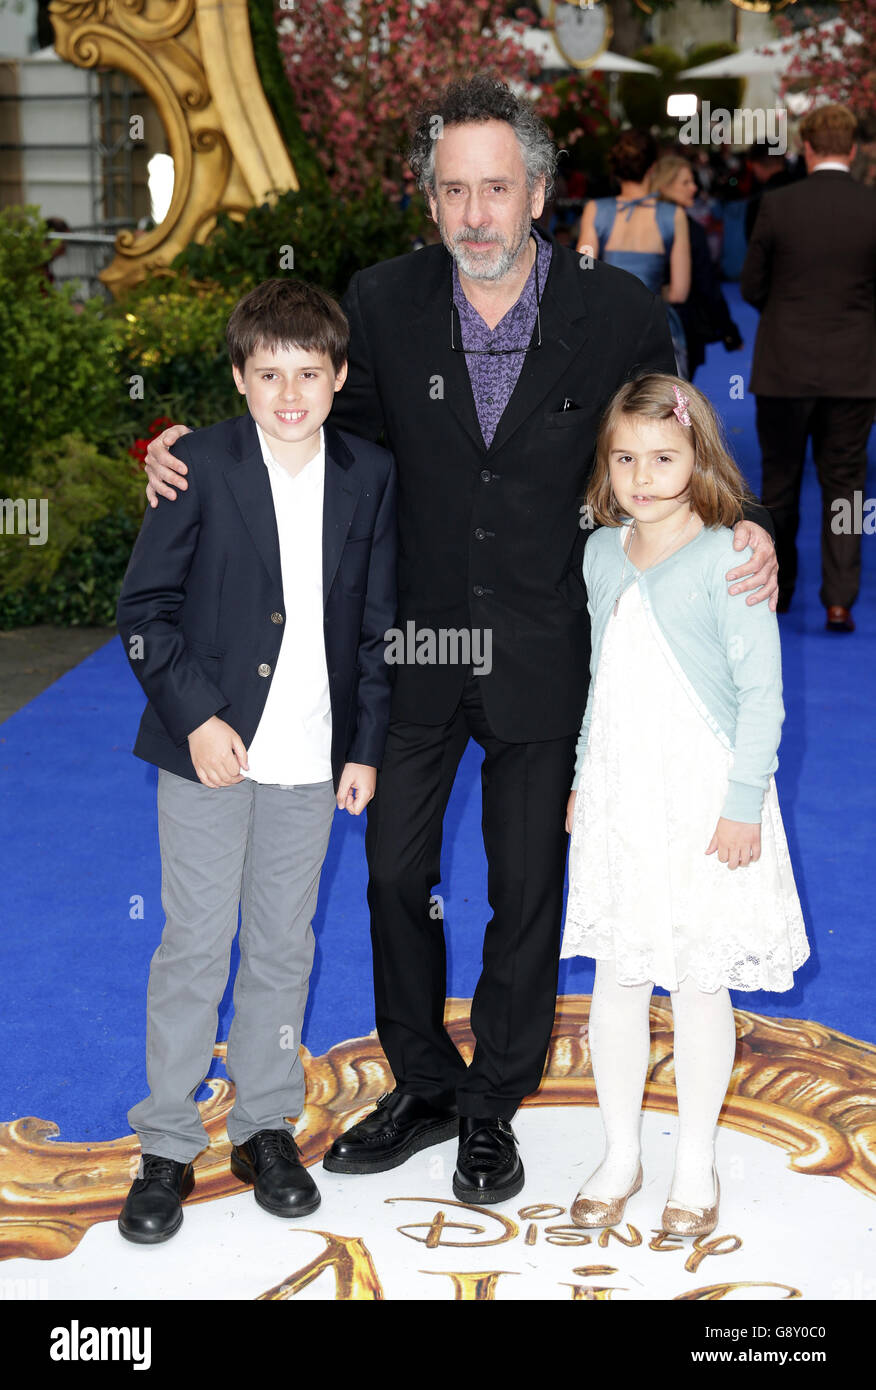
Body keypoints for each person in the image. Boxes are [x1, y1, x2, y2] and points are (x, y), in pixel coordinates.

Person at [143, 75, 778, 1207]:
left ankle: (495, 1101)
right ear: (429, 202)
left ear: (538, 189)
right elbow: (309, 428)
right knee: (394, 877)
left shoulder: (621, 313)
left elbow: (673, 453)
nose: (476, 214)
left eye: (496, 188)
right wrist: (190, 444)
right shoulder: (380, 303)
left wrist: (752, 536)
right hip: (414, 648)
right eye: (452, 191)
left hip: (552, 649)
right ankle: (425, 1083)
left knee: (527, 888)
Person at [115, 278, 397, 1242]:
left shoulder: (369, 473)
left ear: (339, 377)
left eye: (308, 373)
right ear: (238, 377)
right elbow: (142, 612)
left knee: (284, 944)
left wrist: (364, 747)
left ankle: (264, 1125)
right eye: (268, 372)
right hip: (210, 754)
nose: (289, 392)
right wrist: (195, 718)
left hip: (311, 762)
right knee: (195, 942)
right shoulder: (198, 466)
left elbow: (376, 627)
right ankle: (164, 1142)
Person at [562, 374, 808, 1236]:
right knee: (618, 976)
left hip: (707, 798)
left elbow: (762, 696)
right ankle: (621, 1152)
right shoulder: (600, 554)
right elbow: (601, 678)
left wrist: (744, 802)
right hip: (623, 794)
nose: (643, 475)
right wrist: (585, 777)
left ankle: (694, 1161)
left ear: (698, 459)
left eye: (664, 457)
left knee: (700, 981)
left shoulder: (730, 555)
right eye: (625, 459)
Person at [741, 103, 876, 631]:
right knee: (845, 487)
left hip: (784, 368)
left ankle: (778, 590)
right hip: (856, 371)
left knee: (779, 483)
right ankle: (839, 600)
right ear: (856, 148)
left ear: (808, 147)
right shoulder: (872, 206)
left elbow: (751, 284)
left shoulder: (778, 205)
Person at [578, 129, 691, 378]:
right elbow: (679, 292)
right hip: (656, 328)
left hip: (608, 331)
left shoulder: (596, 211)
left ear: (615, 167)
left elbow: (584, 273)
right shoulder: (674, 216)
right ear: (653, 168)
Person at [648, 155, 743, 381]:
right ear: (664, 185)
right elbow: (706, 284)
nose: (694, 188)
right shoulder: (689, 230)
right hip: (681, 326)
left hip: (637, 325)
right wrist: (729, 330)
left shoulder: (635, 222)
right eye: (686, 183)